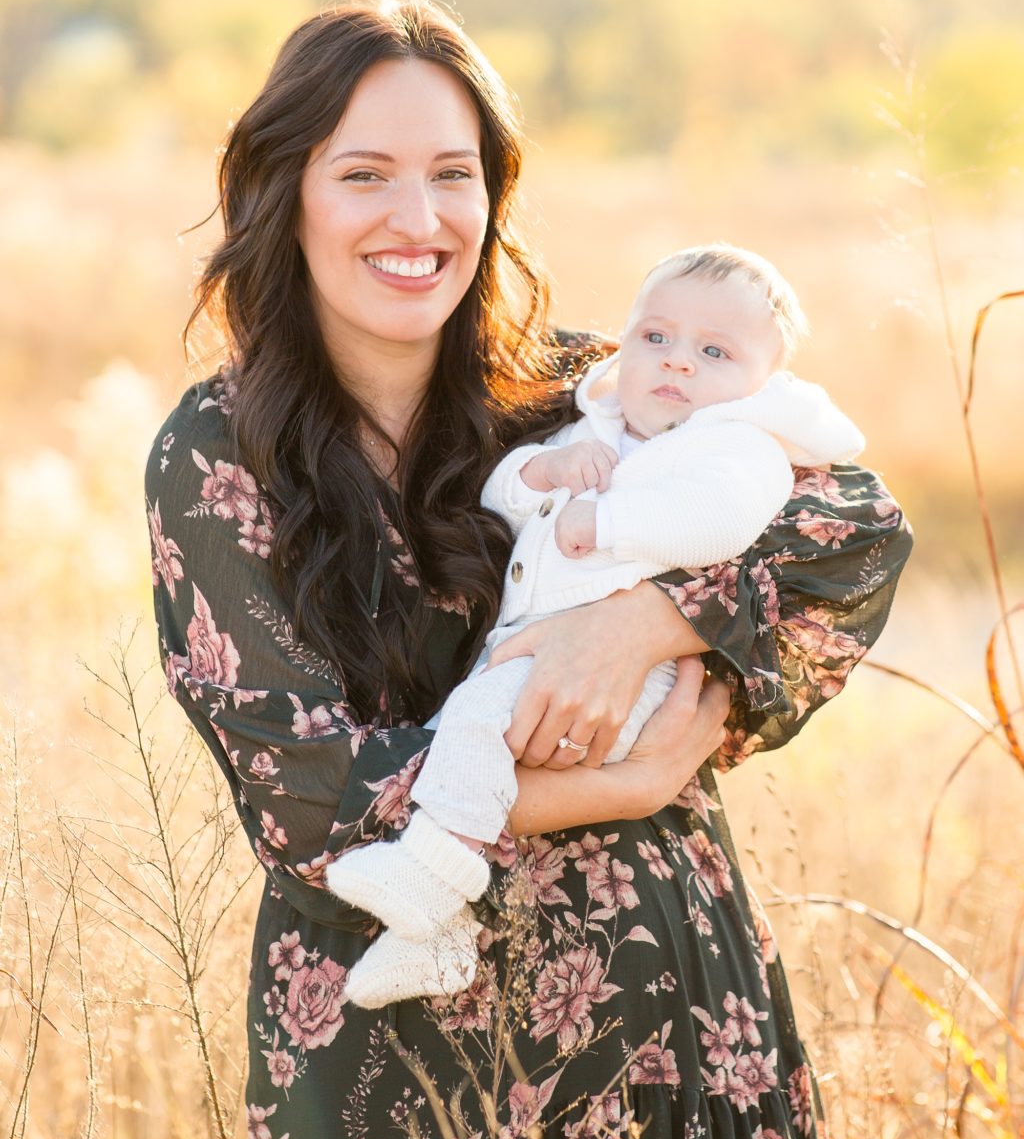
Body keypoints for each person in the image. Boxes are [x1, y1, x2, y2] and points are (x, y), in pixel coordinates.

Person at [146, 0, 911, 1139]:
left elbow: (854, 528)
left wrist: (650, 622)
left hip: (664, 1032)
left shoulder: (586, 394)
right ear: (284, 190)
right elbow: (307, 797)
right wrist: (621, 787)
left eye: (454, 175)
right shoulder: (219, 454)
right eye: (365, 173)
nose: (419, 217)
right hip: (392, 1075)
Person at [329, 243, 866, 1009]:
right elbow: (501, 500)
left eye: (714, 352)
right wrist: (544, 473)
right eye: (656, 336)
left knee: (474, 727)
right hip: (533, 655)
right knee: (454, 738)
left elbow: (719, 521)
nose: (676, 361)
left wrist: (607, 521)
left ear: (763, 379)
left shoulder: (737, 444)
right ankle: (437, 937)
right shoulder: (599, 425)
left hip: (628, 677)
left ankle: (429, 879)